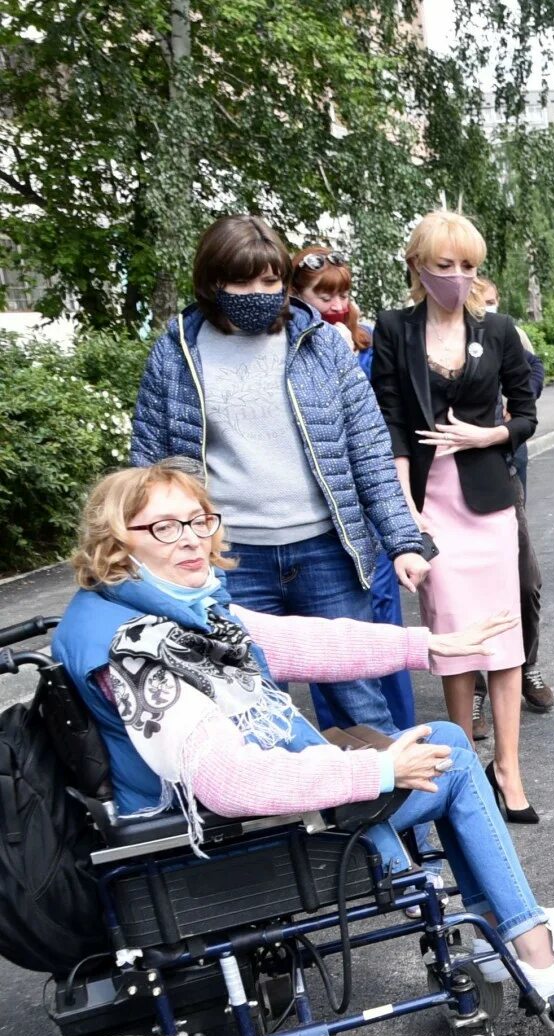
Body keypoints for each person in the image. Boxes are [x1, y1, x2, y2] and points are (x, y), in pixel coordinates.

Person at [49, 462, 554, 997]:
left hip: (244, 812)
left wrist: (426, 644)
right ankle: (535, 953)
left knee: (448, 744)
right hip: (231, 833)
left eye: (198, 520)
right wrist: (378, 769)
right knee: (452, 758)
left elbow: (300, 641)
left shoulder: (166, 608)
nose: (190, 538)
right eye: (163, 527)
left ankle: (509, 930)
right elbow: (230, 784)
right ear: (117, 541)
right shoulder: (139, 649)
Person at [131, 215, 428, 736]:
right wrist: (149, 557)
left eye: (270, 281)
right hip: (230, 559)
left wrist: (403, 541)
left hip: (326, 553)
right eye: (241, 282)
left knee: (361, 705)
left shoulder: (320, 343)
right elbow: (150, 466)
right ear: (212, 283)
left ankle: (391, 792)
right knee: (251, 713)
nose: (258, 294)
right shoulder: (176, 352)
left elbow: (368, 450)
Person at [370, 210, 540, 821]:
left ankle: (509, 768)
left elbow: (525, 413)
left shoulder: (498, 330)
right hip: (428, 502)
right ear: (418, 266)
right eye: (446, 265)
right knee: (451, 636)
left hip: (488, 502)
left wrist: (486, 435)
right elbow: (389, 419)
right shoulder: (393, 329)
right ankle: (465, 762)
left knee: (503, 639)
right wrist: (406, 511)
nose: (459, 276)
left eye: (469, 265)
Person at [290, 244, 417, 734]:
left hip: (367, 508)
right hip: (319, 517)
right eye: (324, 295)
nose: (337, 304)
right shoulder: (288, 350)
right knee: (329, 642)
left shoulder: (368, 344)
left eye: (343, 293)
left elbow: (382, 424)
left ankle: (400, 734)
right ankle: (344, 746)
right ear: (296, 295)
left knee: (383, 627)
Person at [465, 277, 553, 742]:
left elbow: (533, 369)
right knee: (466, 590)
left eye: (493, 301)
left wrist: (514, 412)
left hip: (505, 463)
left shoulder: (505, 331)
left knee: (524, 578)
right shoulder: (427, 337)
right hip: (450, 479)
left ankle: (526, 663)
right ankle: (475, 688)